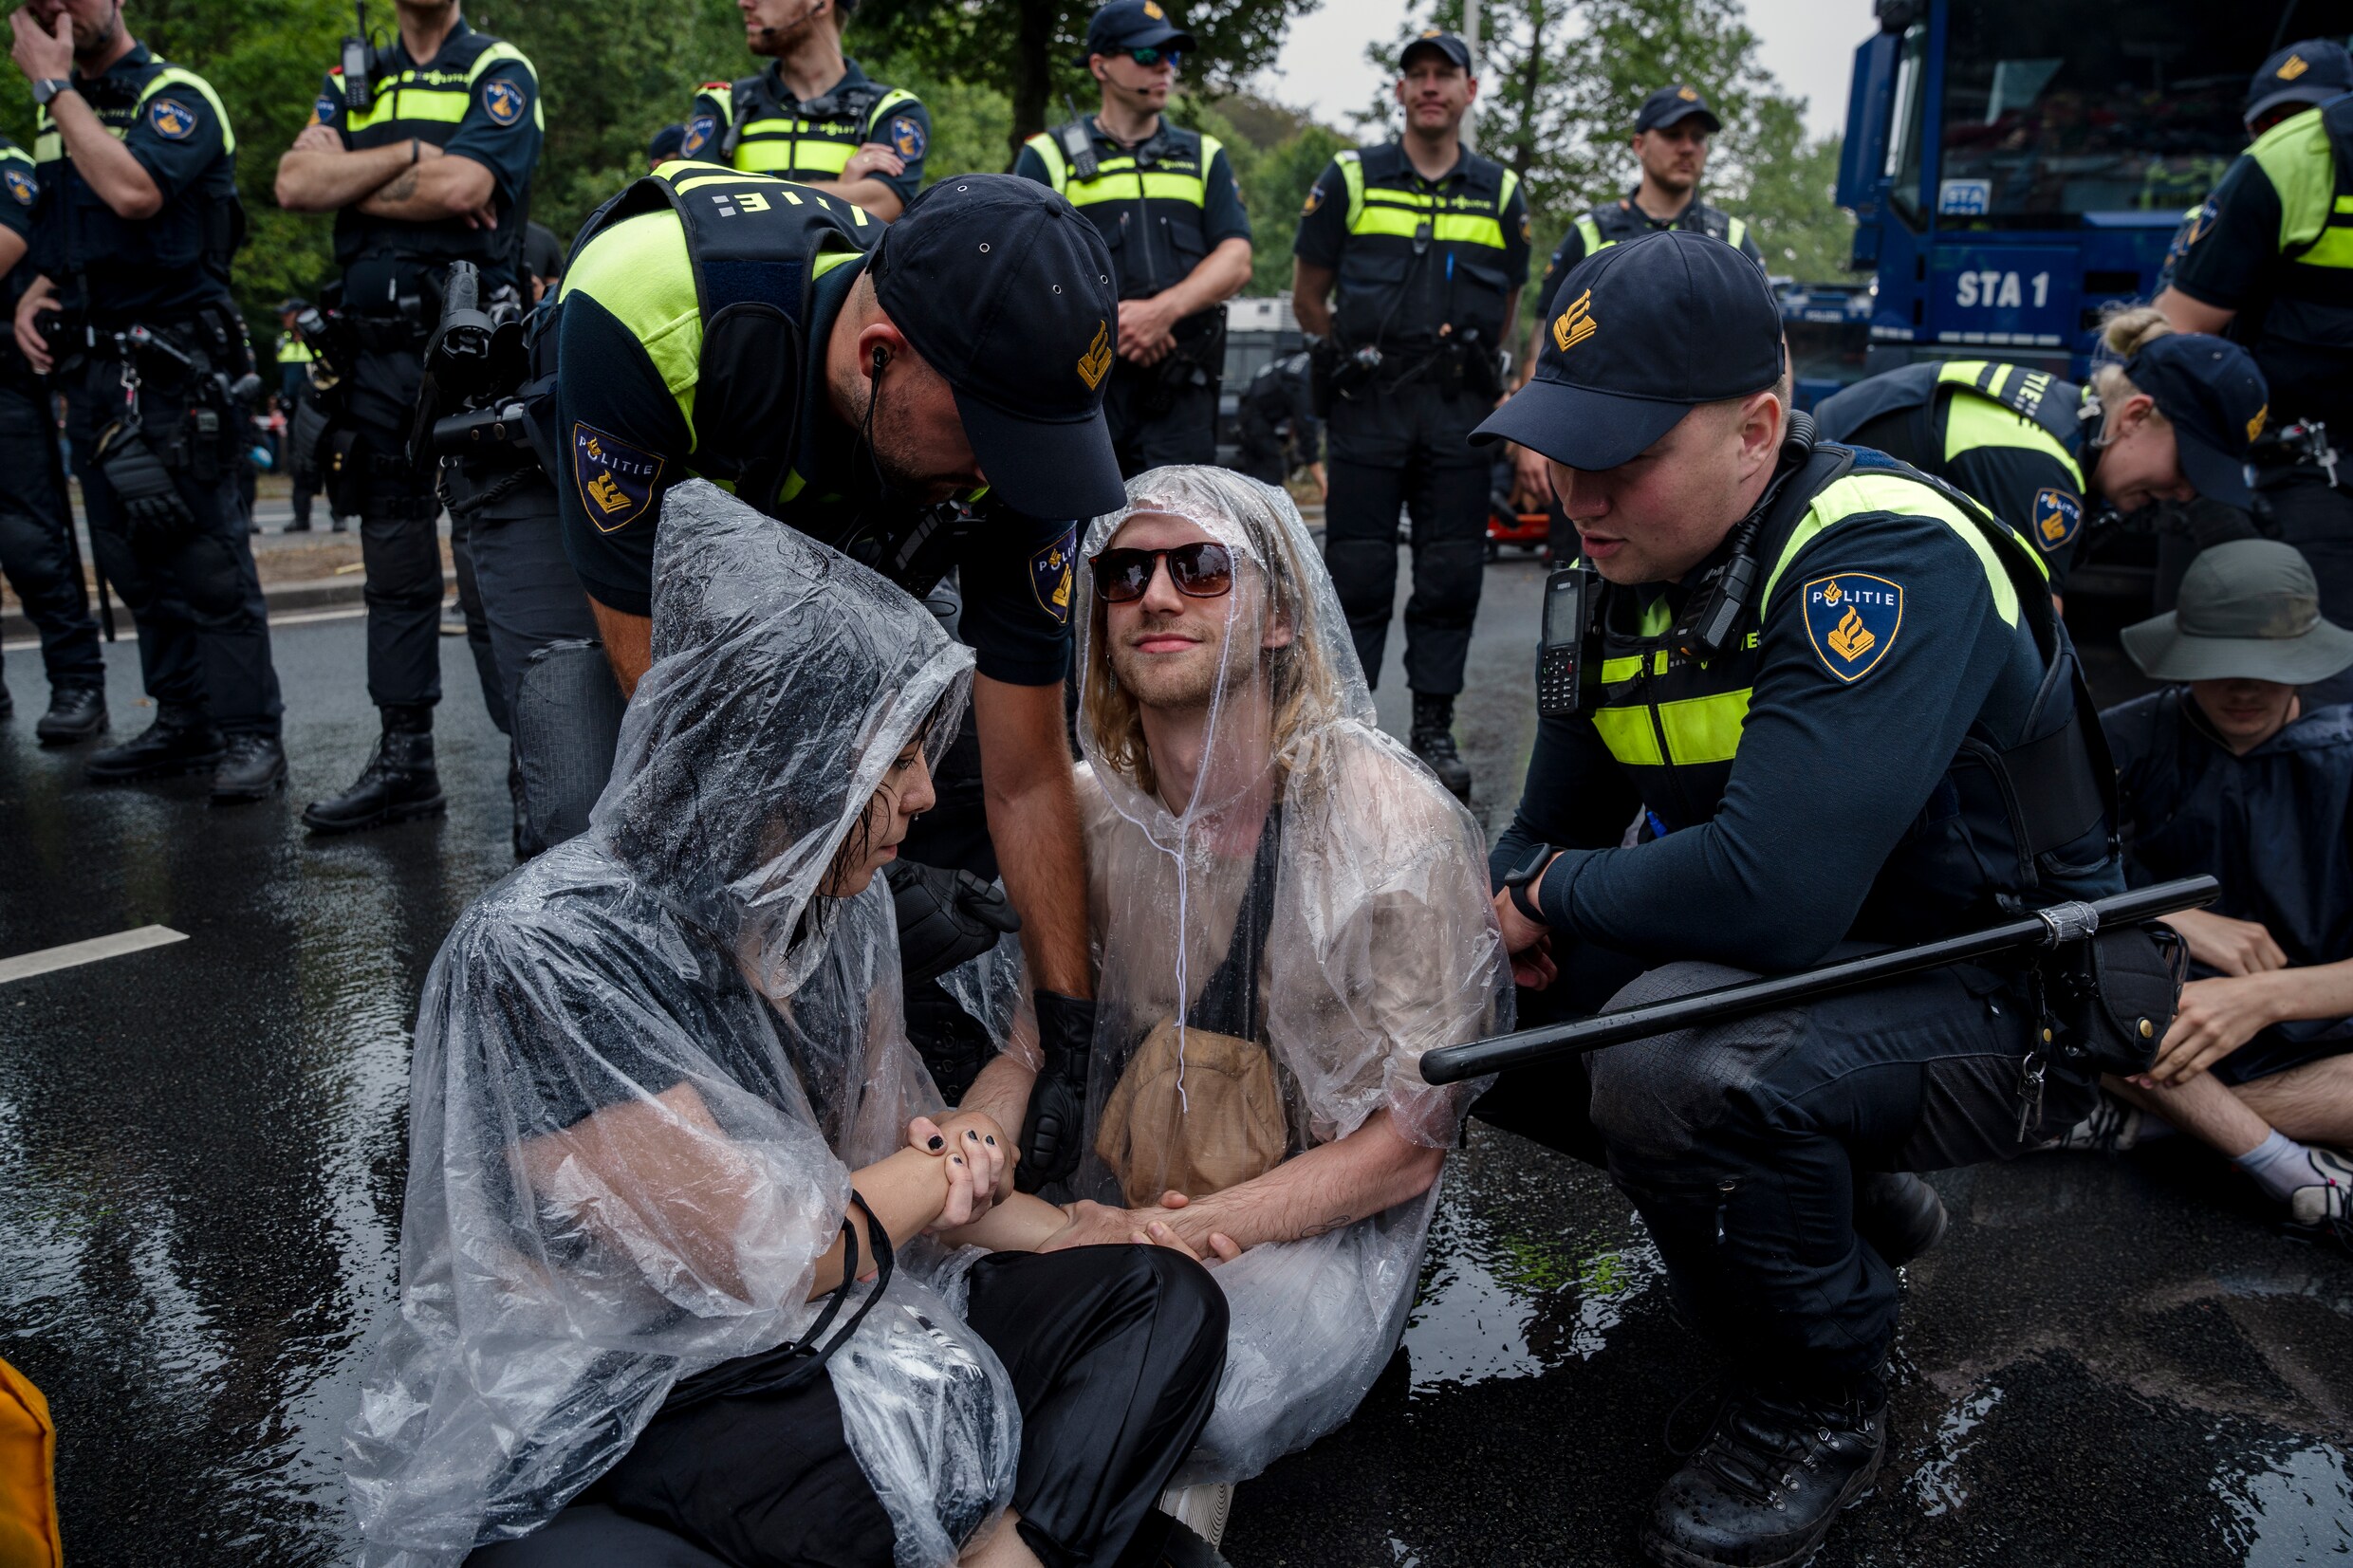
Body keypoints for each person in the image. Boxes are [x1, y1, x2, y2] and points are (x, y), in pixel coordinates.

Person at [346, 481, 1228, 1568]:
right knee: (900, 1461)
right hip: (649, 1377)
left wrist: (1087, 1233)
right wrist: (949, 1163)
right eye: (895, 760)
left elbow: (888, 1154)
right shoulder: (546, 954)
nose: (922, 796)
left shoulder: (832, 910)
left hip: (828, 1313)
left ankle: (1011, 1551)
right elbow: (763, 1248)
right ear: (788, 757)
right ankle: (1014, 1528)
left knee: (1161, 1301)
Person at [1470, 231, 2175, 1568]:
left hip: (2005, 986)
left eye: (1622, 456)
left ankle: (1820, 1394)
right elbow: (1541, 832)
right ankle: (1842, 1210)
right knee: (1474, 998)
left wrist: (1549, 891)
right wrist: (1516, 901)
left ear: (1756, 431)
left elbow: (1765, 895)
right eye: (1559, 450)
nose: (1578, 494)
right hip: (1831, 966)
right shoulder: (1608, 574)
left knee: (1672, 1064)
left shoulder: (1885, 553)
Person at [534, 170, 1120, 1186]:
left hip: (839, 495)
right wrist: (824, 862)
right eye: (988, 443)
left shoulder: (1005, 421)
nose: (1001, 479)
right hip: (624, 489)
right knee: (606, 811)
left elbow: (1028, 769)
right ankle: (629, 1124)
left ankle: (881, 1059)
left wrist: (1067, 1023)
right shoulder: (648, 307)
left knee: (936, 780)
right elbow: (674, 717)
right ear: (877, 353)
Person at [990, 467, 1505, 1528]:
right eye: (1125, 573)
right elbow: (1033, 1046)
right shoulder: (1089, 816)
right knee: (942, 1322)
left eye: (1201, 568)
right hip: (1122, 1195)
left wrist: (1169, 1236)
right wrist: (964, 1147)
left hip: (1312, 1223)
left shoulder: (1388, 830)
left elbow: (1408, 1144)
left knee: (1183, 1392)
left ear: (1278, 617)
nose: (1155, 596)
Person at [273, 0, 543, 835]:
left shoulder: (497, 68)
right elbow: (293, 184)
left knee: (492, 569)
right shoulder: (353, 76)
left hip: (468, 353)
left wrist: (352, 180)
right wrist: (415, 157)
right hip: (374, 359)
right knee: (393, 566)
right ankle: (405, 763)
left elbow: (466, 187)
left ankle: (536, 771)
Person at [10, 0, 287, 802]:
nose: (63, 9)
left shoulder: (175, 95)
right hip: (95, 371)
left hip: (174, 366)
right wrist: (37, 288)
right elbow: (74, 227)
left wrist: (53, 87)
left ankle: (250, 733)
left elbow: (134, 193)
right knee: (133, 559)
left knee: (208, 562)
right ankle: (183, 720)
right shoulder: (62, 110)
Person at [2076, 540, 2352, 1246]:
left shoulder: (2343, 754)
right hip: (2160, 1014)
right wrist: (2166, 910)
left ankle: (2167, 1126)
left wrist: (2264, 997)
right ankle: (2288, 1168)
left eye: (2267, 668)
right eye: (2220, 664)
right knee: (2053, 982)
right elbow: (2028, 875)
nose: (2244, 689)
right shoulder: (2127, 738)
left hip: (2320, 1025)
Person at [1290, 30, 1529, 802]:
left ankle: (1434, 727)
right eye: (1416, 75)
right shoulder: (1351, 177)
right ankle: (1346, 729)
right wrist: (1355, 355)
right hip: (1370, 403)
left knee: (1452, 575)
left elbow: (1509, 307)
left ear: (1469, 91)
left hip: (1457, 409)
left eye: (1444, 75)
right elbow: (1308, 295)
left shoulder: (1500, 191)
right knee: (1357, 574)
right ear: (1399, 91)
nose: (1430, 86)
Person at [1811, 310, 2268, 602]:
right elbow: (2037, 666)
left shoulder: (2063, 415)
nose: (2185, 492)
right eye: (2188, 466)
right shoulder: (2042, 471)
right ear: (2135, 415)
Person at [2158, 38, 2353, 708]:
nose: (2285, 134)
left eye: (2302, 116)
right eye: (2270, 122)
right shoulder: (2252, 192)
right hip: (2263, 476)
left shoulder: (2290, 173)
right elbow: (2172, 344)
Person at [1012, 0, 1253, 478]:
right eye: (1147, 55)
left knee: (1182, 522)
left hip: (1182, 393)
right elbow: (1023, 271)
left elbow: (1237, 258)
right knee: (1084, 521)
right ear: (1100, 65)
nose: (1165, 67)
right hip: (1083, 394)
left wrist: (1162, 312)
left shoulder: (1204, 154)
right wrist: (1115, 325)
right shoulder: (1047, 156)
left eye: (1172, 55)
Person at [0, 128, 103, 743]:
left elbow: (8, 245)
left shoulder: (9, 164)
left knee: (30, 546)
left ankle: (77, 682)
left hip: (7, 387)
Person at [680, 0, 928, 222]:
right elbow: (697, 204)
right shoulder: (723, 102)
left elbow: (881, 204)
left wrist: (740, 198)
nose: (744, 3)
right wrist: (839, 197)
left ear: (820, 4)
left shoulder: (892, 109)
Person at [1232, 346, 1323, 495]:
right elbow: (1307, 434)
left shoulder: (1306, 362)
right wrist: (1324, 486)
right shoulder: (1303, 381)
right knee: (1271, 475)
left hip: (1255, 407)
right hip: (1254, 417)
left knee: (1263, 474)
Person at [272, 296, 323, 534]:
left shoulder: (318, 337)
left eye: (288, 313)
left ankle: (339, 516)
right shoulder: (283, 341)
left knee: (327, 460)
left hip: (318, 409)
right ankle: (301, 517)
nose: (284, 318)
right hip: (294, 412)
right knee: (298, 464)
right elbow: (281, 375)